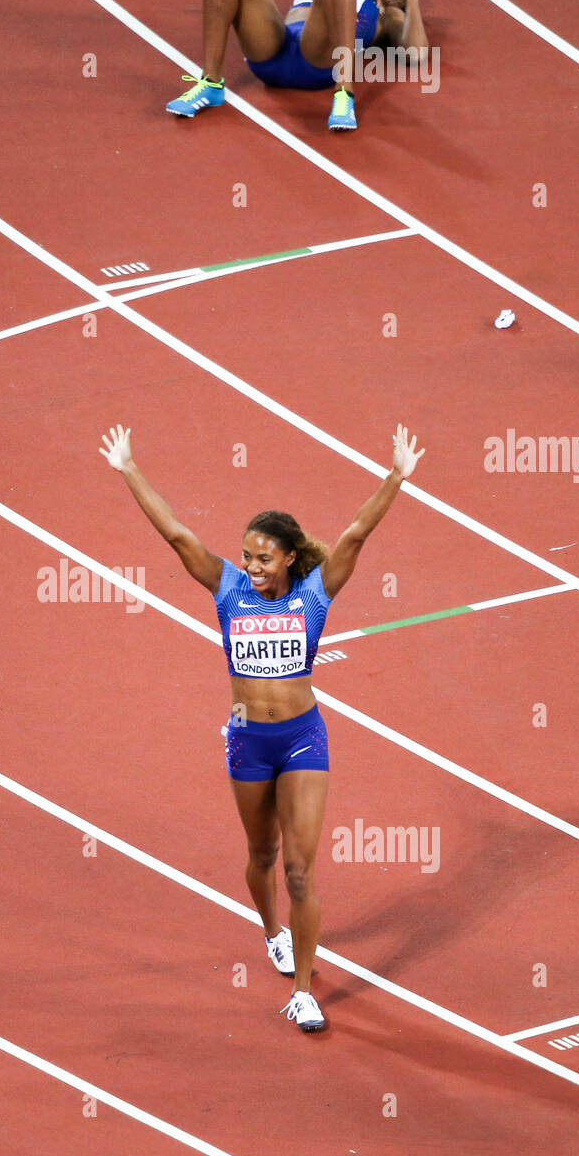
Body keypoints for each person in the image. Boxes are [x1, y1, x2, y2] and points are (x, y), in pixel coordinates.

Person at [100, 422, 424, 1030]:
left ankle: (303, 990)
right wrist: (128, 469)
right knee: (262, 853)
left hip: (302, 738)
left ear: (289, 558)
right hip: (248, 739)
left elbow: (356, 532)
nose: (250, 566)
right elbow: (175, 533)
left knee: (300, 869)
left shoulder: (314, 598)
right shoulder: (227, 591)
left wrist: (397, 476)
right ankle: (272, 931)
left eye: (262, 557)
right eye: (246, 555)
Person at [166, 0, 429, 131]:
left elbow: (416, 54)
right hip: (273, 53)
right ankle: (211, 84)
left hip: (318, 62)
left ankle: (344, 95)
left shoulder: (388, 16)